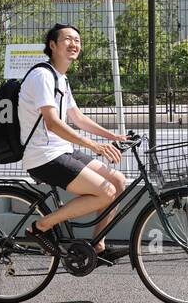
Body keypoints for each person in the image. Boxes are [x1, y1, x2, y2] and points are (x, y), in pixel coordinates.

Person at [19, 23, 128, 265]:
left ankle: (98, 245)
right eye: (67, 39)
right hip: (43, 156)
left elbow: (78, 118)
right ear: (53, 45)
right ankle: (40, 227)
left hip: (62, 151)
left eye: (77, 40)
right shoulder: (42, 76)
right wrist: (94, 146)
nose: (74, 44)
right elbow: (53, 123)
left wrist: (113, 137)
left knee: (118, 182)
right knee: (105, 192)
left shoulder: (61, 79)